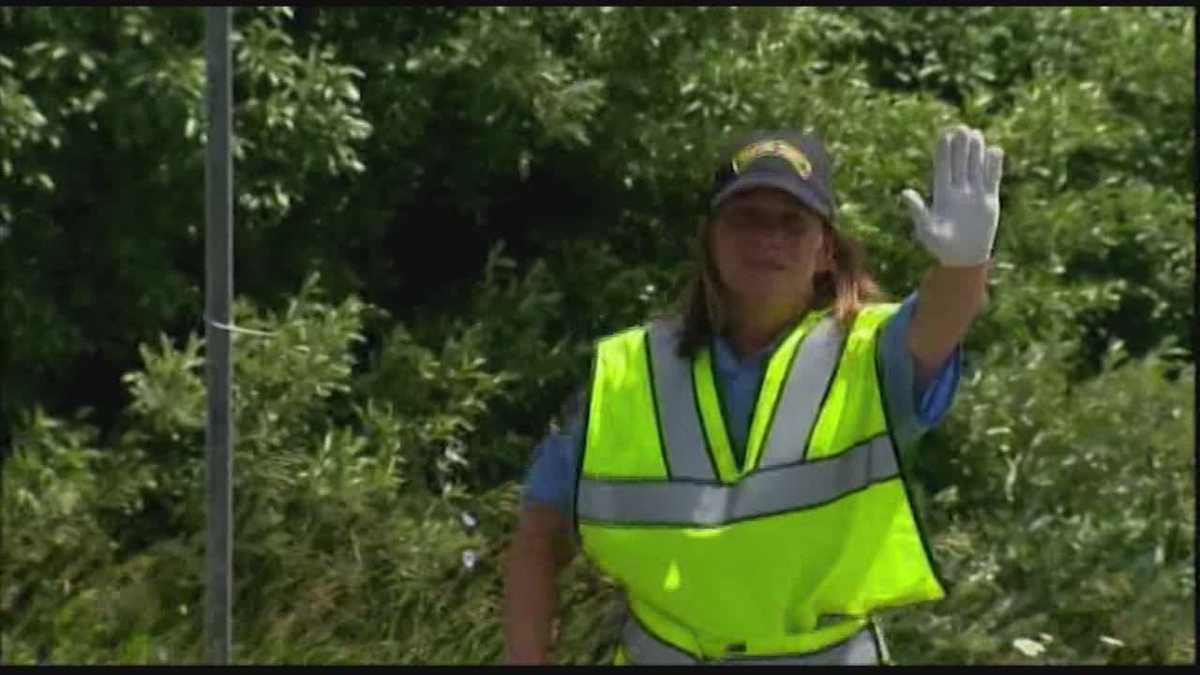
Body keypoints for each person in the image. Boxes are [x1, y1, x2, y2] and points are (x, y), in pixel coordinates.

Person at [502, 125, 1003, 665]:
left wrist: (964, 264)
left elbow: (939, 324)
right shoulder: (626, 372)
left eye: (792, 222)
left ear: (826, 251)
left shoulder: (869, 355)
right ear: (709, 240)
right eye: (745, 218)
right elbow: (539, 537)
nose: (768, 239)